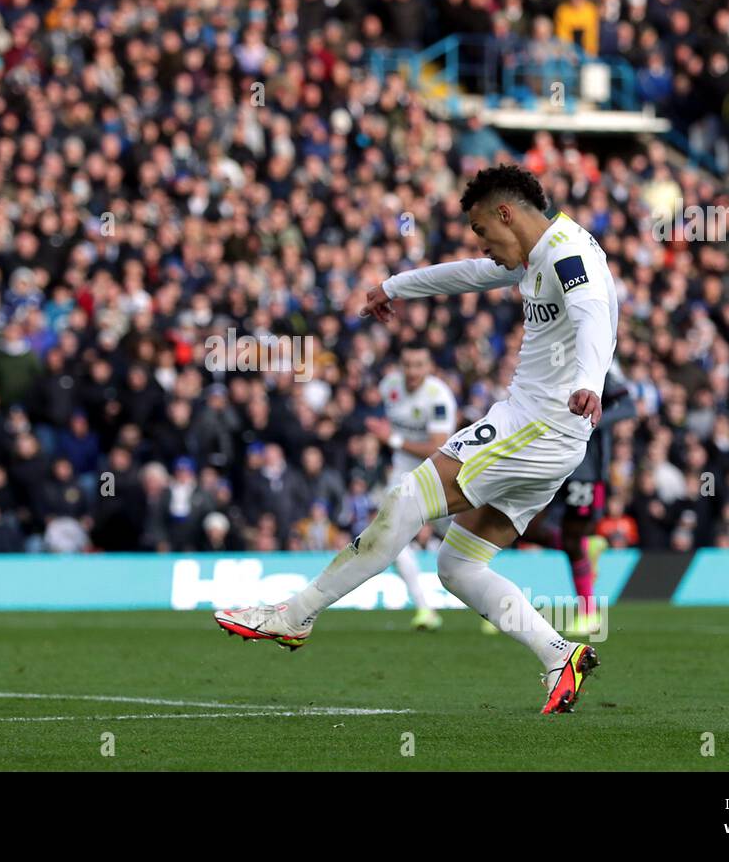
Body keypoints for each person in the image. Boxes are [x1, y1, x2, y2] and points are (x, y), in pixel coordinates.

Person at [216, 165, 618, 715]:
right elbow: (470, 274)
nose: (481, 242)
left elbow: (592, 312)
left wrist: (590, 381)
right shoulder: (541, 251)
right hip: (556, 437)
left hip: (538, 423)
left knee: (408, 499)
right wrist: (393, 287)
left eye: (481, 228)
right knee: (458, 567)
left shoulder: (567, 255)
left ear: (506, 213)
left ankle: (295, 615)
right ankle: (558, 655)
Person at [520, 363, 637, 633]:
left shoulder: (597, 366)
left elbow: (628, 406)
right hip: (548, 460)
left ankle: (589, 612)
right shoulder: (545, 359)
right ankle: (499, 603)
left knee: (571, 537)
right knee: (524, 528)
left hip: (584, 469)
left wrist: (589, 422)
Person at [364, 342, 458, 631]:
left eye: (419, 365)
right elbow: (374, 414)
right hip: (404, 475)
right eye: (407, 364)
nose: (412, 371)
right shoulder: (389, 386)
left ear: (429, 368)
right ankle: (424, 608)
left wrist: (391, 440)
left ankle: (495, 609)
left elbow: (437, 448)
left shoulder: (438, 397)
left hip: (439, 472)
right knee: (389, 538)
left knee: (464, 539)